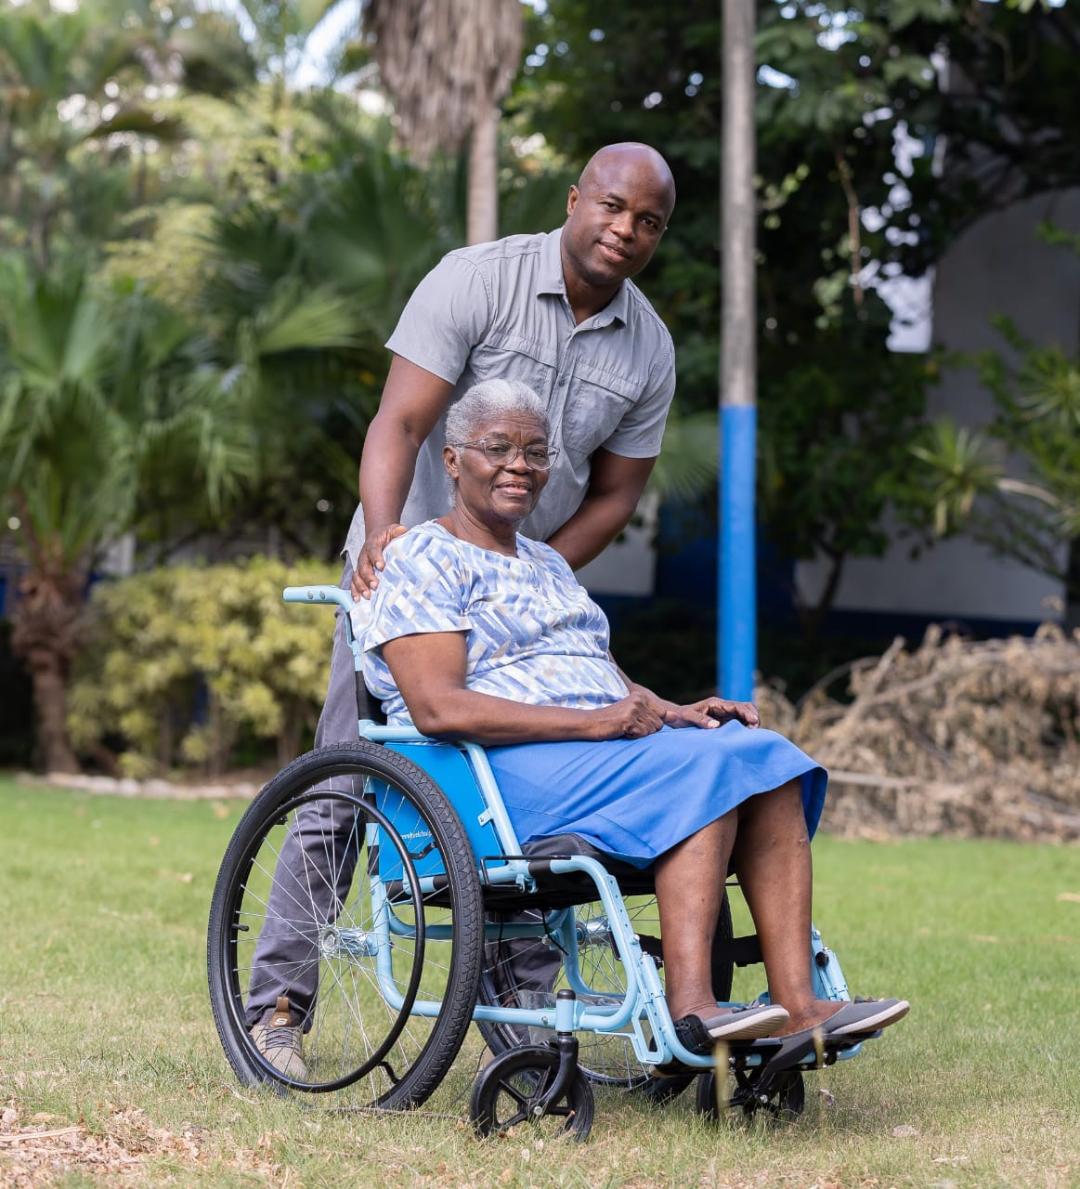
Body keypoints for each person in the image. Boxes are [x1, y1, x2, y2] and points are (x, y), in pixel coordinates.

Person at [248, 141, 684, 1075]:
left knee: (515, 801)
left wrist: (527, 575)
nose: (625, 230)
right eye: (611, 207)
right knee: (349, 781)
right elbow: (400, 422)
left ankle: (526, 1019)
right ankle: (278, 1005)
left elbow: (614, 496)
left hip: (521, 586)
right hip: (406, 572)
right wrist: (388, 543)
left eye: (647, 222)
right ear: (575, 200)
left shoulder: (649, 346)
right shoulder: (475, 281)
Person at [359, 379, 910, 1064]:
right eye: (497, 448)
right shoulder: (422, 557)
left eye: (534, 451)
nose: (518, 466)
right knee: (701, 768)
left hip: (596, 754)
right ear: (452, 459)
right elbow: (438, 706)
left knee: (759, 754)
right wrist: (593, 726)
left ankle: (798, 1005)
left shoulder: (548, 563)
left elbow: (598, 674)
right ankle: (693, 1008)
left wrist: (676, 711)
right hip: (498, 774)